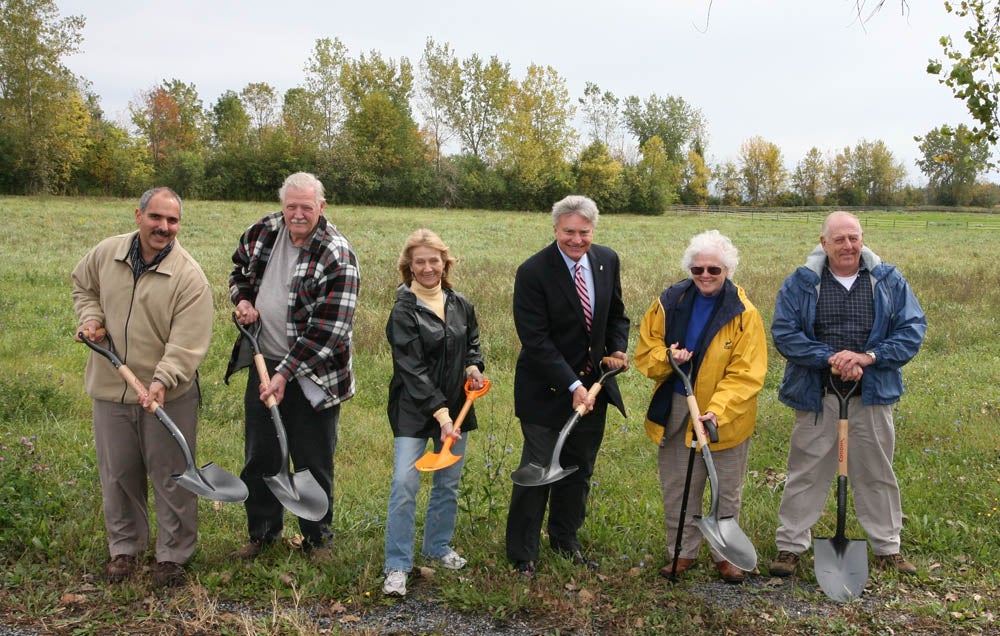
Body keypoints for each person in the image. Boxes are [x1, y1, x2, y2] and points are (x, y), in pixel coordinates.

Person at [769, 211, 927, 578]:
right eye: (839, 239)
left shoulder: (888, 280)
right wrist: (831, 358)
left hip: (871, 394)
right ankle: (790, 546)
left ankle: (887, 548)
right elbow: (785, 334)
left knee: (877, 473)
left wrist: (868, 357)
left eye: (854, 237)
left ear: (862, 239)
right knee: (805, 473)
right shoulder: (802, 283)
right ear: (823, 243)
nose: (848, 245)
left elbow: (912, 329)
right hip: (818, 395)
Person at [72, 187, 214, 587]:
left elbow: (187, 342)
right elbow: (83, 285)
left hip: (168, 394)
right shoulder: (107, 253)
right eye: (156, 217)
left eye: (172, 220)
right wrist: (91, 318)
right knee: (118, 472)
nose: (163, 227)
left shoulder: (189, 277)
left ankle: (173, 556)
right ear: (138, 216)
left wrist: (163, 380)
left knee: (172, 476)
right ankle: (125, 549)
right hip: (111, 386)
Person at [226, 172, 360, 561]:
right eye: (291, 206)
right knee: (262, 454)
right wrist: (243, 300)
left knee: (312, 459)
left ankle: (318, 540)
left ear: (322, 207)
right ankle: (263, 534)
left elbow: (330, 330)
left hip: (314, 372)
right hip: (263, 361)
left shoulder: (337, 253)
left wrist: (285, 373)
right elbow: (239, 270)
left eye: (306, 207)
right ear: (282, 206)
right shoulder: (264, 231)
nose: (298, 214)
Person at [505, 194, 629, 578]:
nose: (577, 240)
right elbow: (535, 339)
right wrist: (572, 383)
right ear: (555, 229)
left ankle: (564, 541)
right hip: (546, 390)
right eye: (569, 232)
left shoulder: (607, 261)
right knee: (539, 469)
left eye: (584, 232)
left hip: (594, 391)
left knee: (578, 468)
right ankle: (523, 555)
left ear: (594, 230)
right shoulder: (533, 272)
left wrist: (617, 349)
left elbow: (617, 315)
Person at [634, 230, 767, 584]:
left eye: (713, 269)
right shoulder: (668, 302)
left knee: (726, 489)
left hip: (725, 416)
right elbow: (646, 353)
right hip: (678, 408)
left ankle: (725, 556)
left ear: (727, 270)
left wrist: (717, 411)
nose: (705, 275)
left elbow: (746, 373)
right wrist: (668, 357)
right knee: (679, 486)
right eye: (698, 269)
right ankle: (682, 552)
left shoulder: (744, 313)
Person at [381, 229, 487, 597]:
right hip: (414, 409)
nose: (428, 268)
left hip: (457, 407)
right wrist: (441, 417)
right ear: (409, 267)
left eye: (434, 261)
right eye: (420, 262)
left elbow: (471, 344)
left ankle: (437, 547)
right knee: (404, 485)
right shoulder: (403, 310)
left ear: (445, 264)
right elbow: (412, 369)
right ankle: (397, 564)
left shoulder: (461, 304)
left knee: (448, 483)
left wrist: (473, 368)